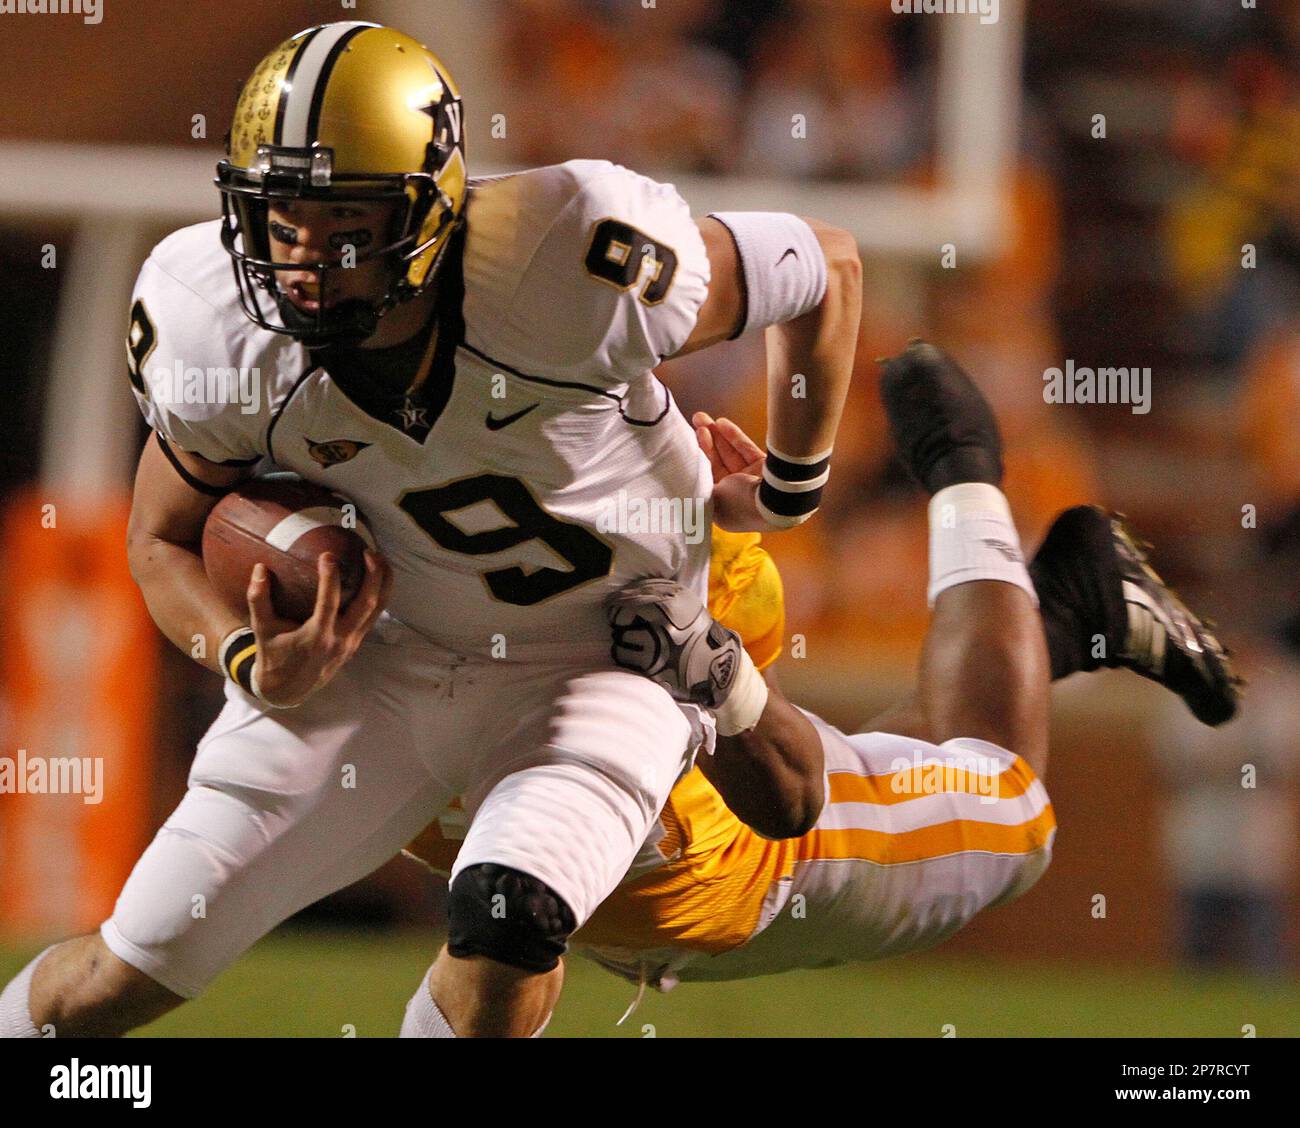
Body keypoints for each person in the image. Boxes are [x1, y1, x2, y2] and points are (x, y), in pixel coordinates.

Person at [0, 20, 862, 1039]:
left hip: (606, 657)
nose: (305, 260)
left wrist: (792, 490)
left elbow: (828, 266)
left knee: (508, 921)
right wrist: (243, 654)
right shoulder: (214, 326)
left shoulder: (570, 256)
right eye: (282, 218)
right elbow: (162, 537)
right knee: (119, 978)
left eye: (346, 222)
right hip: (381, 658)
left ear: (432, 211)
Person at [407, 342, 1242, 998]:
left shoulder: (646, 557)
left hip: (766, 868)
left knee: (1009, 797)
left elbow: (784, 771)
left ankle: (964, 474)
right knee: (893, 759)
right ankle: (1062, 623)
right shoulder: (364, 597)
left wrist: (712, 616)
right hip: (660, 881)